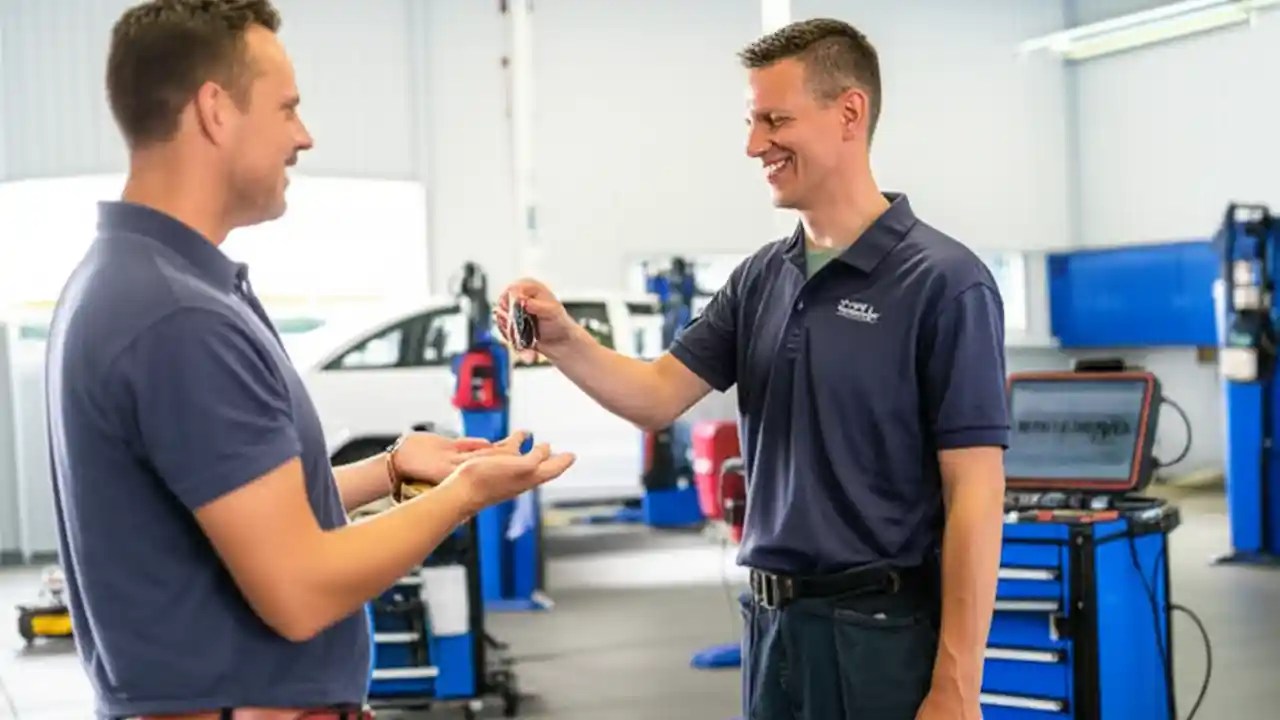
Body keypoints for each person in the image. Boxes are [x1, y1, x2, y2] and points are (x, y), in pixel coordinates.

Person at [44, 2, 575, 719]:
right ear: (215, 112)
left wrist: (388, 470)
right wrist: (465, 495)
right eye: (287, 108)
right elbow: (300, 591)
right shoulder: (177, 316)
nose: (304, 135)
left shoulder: (137, 280)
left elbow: (237, 504)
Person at [496, 17, 1007, 720]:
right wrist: (562, 339)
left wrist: (957, 685)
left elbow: (976, 493)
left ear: (849, 113)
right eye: (750, 120)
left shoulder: (946, 282)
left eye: (775, 119)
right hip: (774, 631)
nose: (753, 144)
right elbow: (654, 397)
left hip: (879, 641)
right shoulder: (762, 277)